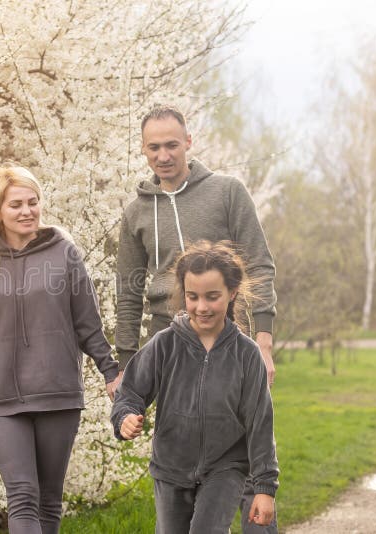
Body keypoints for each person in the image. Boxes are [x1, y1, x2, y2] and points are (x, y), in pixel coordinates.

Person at [115, 104, 278, 532]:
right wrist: (125, 363)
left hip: (231, 335)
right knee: (186, 450)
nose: (163, 155)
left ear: (189, 142)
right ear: (144, 150)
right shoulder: (135, 212)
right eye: (154, 147)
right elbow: (128, 289)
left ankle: (260, 514)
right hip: (170, 340)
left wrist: (264, 338)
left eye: (172, 144)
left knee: (243, 446)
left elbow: (259, 264)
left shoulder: (227, 191)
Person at [0, 163, 120, 534]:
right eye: (16, 204)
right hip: (4, 400)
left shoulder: (64, 253)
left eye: (33, 202)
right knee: (21, 496)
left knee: (49, 501)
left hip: (58, 392)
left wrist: (110, 372)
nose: (27, 211)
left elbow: (88, 322)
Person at [111, 240, 279, 534]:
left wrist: (265, 487)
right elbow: (131, 392)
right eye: (193, 297)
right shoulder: (165, 344)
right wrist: (125, 416)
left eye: (212, 296)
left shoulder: (247, 354)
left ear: (232, 292)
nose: (202, 307)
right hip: (170, 468)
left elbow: (260, 423)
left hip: (226, 467)